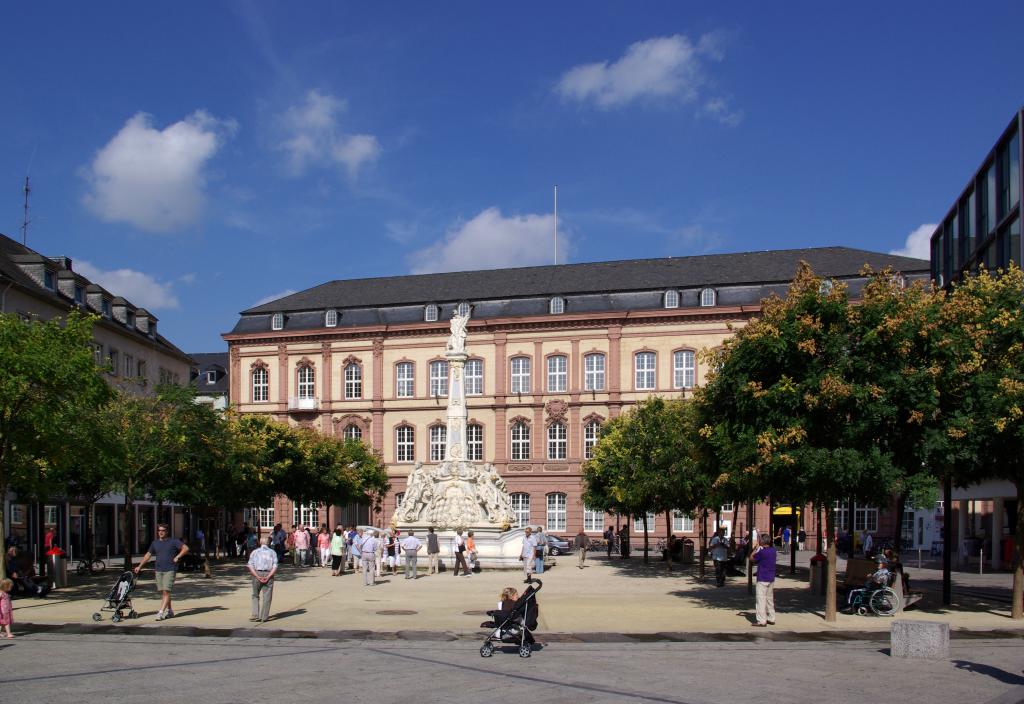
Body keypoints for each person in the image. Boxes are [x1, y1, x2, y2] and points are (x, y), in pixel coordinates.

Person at [134, 523, 189, 621]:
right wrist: (139, 566)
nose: (161, 532)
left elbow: (186, 548)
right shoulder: (155, 543)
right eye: (159, 530)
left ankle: (160, 612)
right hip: (159, 570)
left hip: (170, 569)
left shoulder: (173, 541)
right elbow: (148, 555)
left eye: (163, 530)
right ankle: (170, 610)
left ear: (167, 531)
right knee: (164, 592)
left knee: (166, 591)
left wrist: (177, 556)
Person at [247, 536, 278, 622]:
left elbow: (250, 565)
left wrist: (256, 576)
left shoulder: (255, 552)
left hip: (257, 572)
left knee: (255, 595)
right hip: (269, 573)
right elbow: (275, 566)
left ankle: (255, 614)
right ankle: (264, 616)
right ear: (269, 543)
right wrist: (269, 576)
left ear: (260, 542)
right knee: (267, 596)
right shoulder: (272, 552)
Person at [751, 534, 776, 627]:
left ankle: (762, 620)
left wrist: (755, 549)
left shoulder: (762, 552)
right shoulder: (773, 550)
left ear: (762, 541)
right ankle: (771, 617)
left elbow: (752, 559)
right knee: (769, 599)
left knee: (761, 599)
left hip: (762, 577)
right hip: (771, 577)